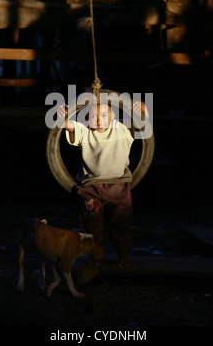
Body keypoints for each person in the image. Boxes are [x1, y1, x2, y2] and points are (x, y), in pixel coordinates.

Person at [57, 99, 149, 266]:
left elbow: (142, 121)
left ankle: (123, 256)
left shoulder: (122, 128)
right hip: (91, 187)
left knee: (121, 223)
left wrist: (142, 107)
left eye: (104, 115)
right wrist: (63, 115)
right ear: (86, 118)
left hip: (118, 187)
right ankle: (94, 258)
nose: (99, 120)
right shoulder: (84, 132)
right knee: (91, 225)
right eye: (93, 116)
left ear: (113, 116)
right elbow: (68, 125)